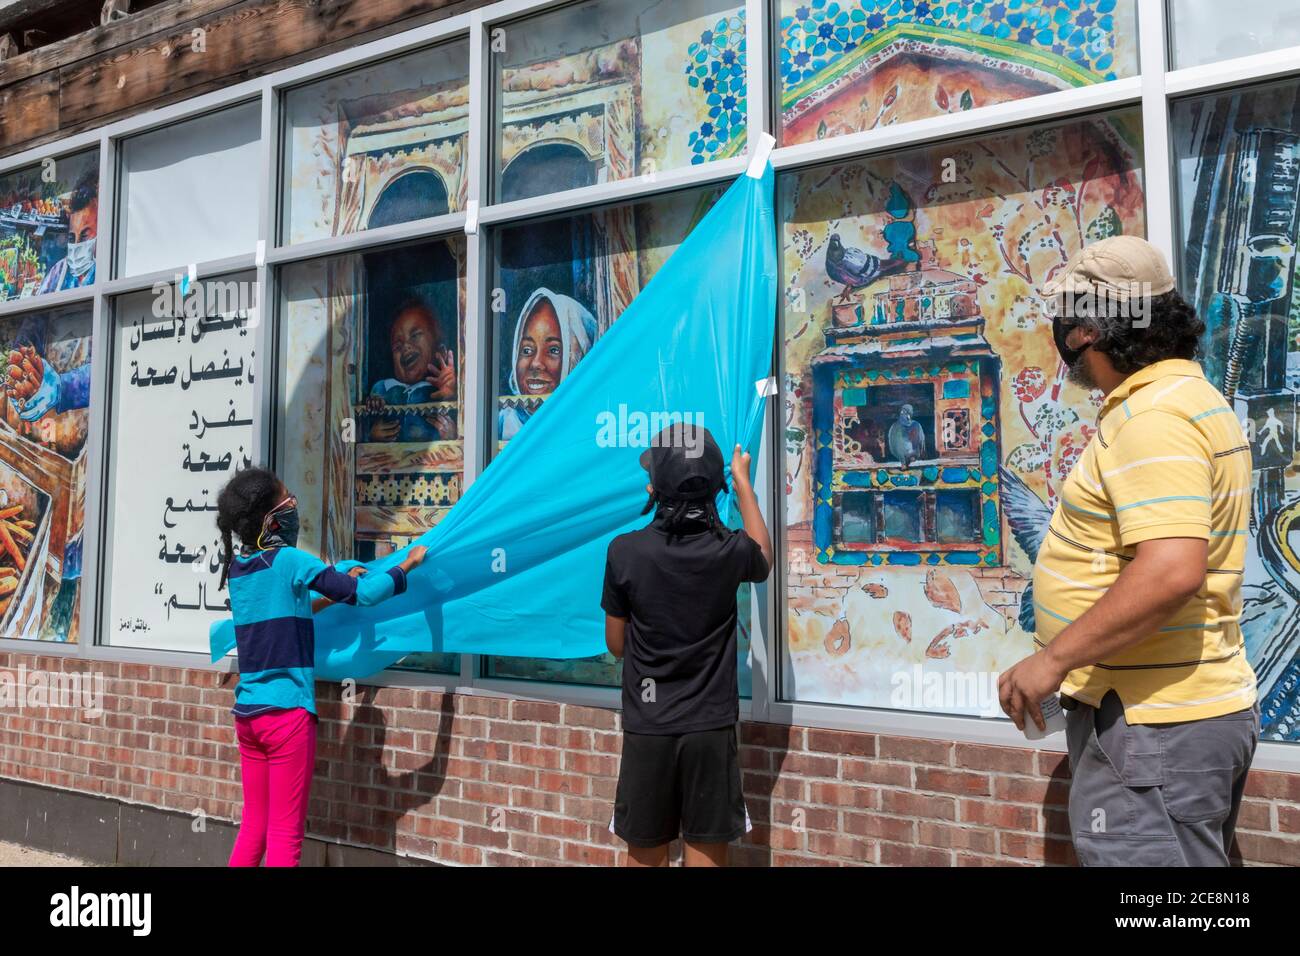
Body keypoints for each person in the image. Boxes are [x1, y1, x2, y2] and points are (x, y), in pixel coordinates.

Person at [998, 235, 1259, 867]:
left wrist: (1052, 660)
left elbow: (1171, 570)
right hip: (1167, 725)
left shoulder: (1154, 419)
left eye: (1068, 319)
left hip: (1154, 732)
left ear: (1089, 331)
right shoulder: (1185, 400)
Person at [215, 467, 427, 866]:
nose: (294, 503)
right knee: (285, 836)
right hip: (287, 719)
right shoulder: (291, 560)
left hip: (248, 718)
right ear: (270, 518)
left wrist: (330, 592)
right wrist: (407, 567)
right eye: (287, 499)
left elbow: (288, 611)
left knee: (254, 828)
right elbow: (363, 595)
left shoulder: (240, 571)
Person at [602, 426, 772, 866]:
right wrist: (743, 484)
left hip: (648, 727)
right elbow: (763, 557)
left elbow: (616, 645)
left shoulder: (625, 552)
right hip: (710, 729)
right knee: (707, 848)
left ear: (653, 490)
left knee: (645, 852)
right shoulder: (728, 550)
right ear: (715, 489)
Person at [498, 288, 598, 440]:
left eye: (553, 350)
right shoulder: (501, 424)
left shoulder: (594, 429)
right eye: (526, 350)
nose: (536, 363)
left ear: (578, 360)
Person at [365, 299, 456, 442]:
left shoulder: (440, 388)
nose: (406, 346)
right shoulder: (384, 388)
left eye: (415, 336)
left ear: (440, 352)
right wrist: (371, 434)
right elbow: (365, 422)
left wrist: (451, 435)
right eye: (397, 345)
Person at [37, 170, 98, 295]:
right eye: (71, 238)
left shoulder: (108, 270)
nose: (76, 245)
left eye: (84, 236)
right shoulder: (59, 273)